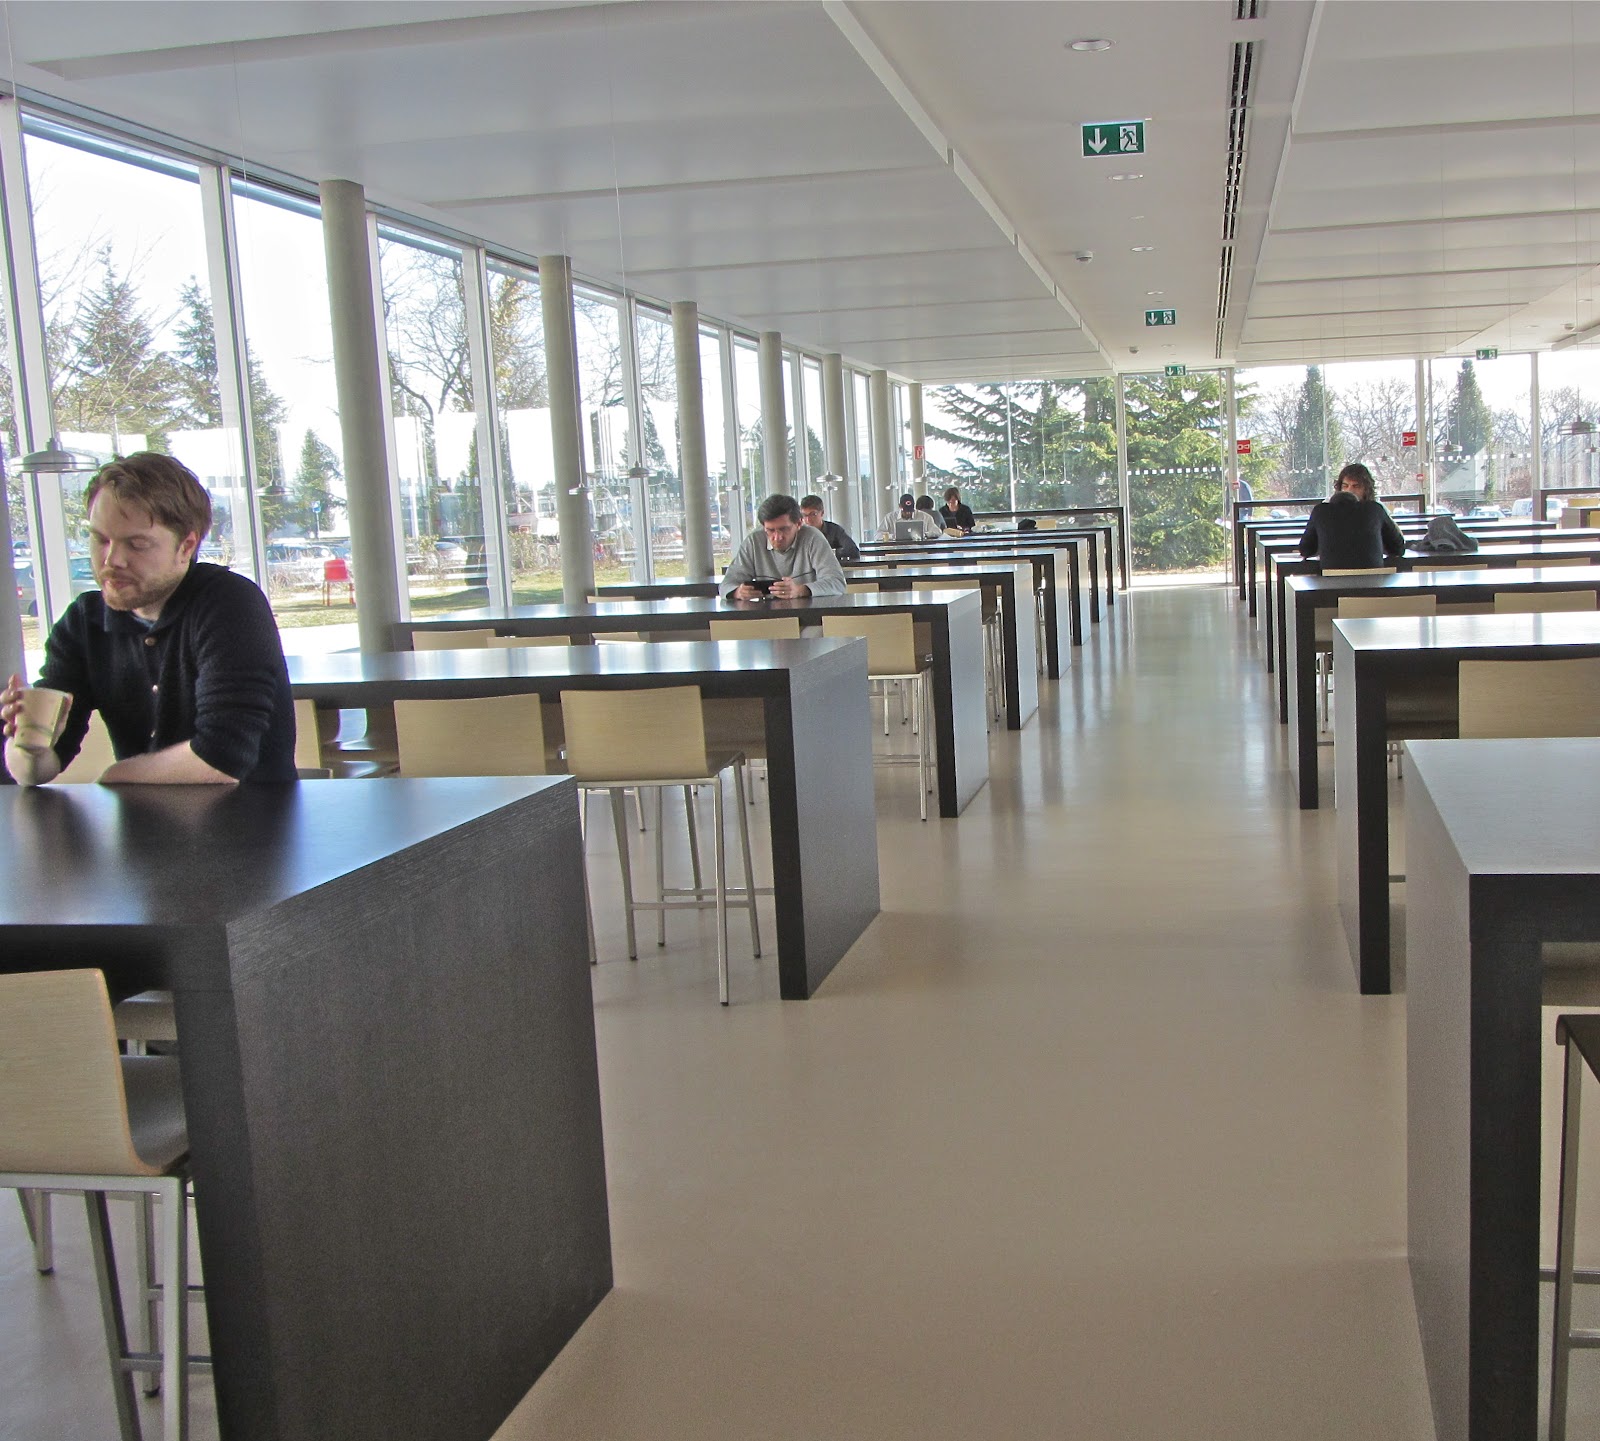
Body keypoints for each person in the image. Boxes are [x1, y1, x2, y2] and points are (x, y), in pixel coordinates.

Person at [2, 452, 297, 787]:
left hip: (253, 831)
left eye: (137, 544)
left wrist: (115, 778)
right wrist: (28, 746)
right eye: (100, 539)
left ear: (186, 546)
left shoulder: (229, 604)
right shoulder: (85, 622)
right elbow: (36, 771)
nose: (112, 560)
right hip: (144, 833)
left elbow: (222, 759)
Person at [720, 493, 847, 600]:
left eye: (784, 529)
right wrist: (737, 592)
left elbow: (837, 583)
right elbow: (726, 585)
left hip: (810, 616)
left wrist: (800, 590)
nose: (777, 537)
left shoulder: (813, 538)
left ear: (798, 524)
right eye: (770, 530)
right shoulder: (753, 541)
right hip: (767, 617)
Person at [1297, 462, 1406, 570]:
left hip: (1331, 583)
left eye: (1356, 486)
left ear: (1366, 489)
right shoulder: (1376, 509)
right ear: (1339, 488)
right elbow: (1398, 548)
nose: (1350, 491)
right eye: (1345, 486)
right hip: (1373, 582)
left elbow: (1306, 550)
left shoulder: (1321, 510)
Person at [799, 494, 862, 562]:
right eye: (804, 515)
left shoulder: (835, 530)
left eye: (813, 514)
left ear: (822, 513)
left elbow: (853, 551)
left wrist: (828, 552)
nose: (808, 520)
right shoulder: (799, 532)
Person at [878, 493, 944, 541]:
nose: (908, 513)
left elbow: (938, 532)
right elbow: (878, 535)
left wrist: (925, 534)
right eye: (905, 511)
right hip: (896, 551)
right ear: (900, 506)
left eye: (910, 510)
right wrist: (893, 536)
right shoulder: (889, 518)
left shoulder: (925, 517)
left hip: (919, 551)